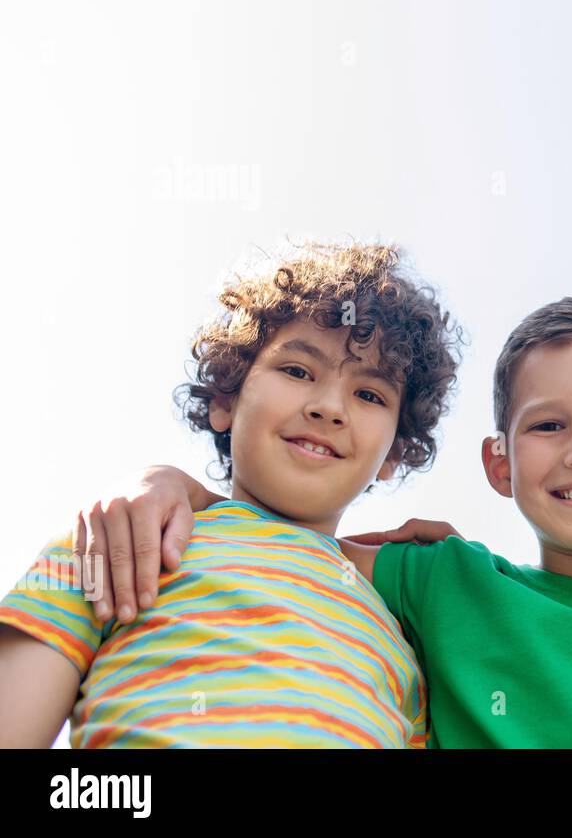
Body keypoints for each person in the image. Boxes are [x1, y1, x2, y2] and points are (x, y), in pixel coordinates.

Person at [0, 240, 462, 747]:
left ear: (394, 454)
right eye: (297, 371)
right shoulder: (122, 537)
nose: (330, 408)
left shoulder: (405, 630)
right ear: (225, 397)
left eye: (369, 395)